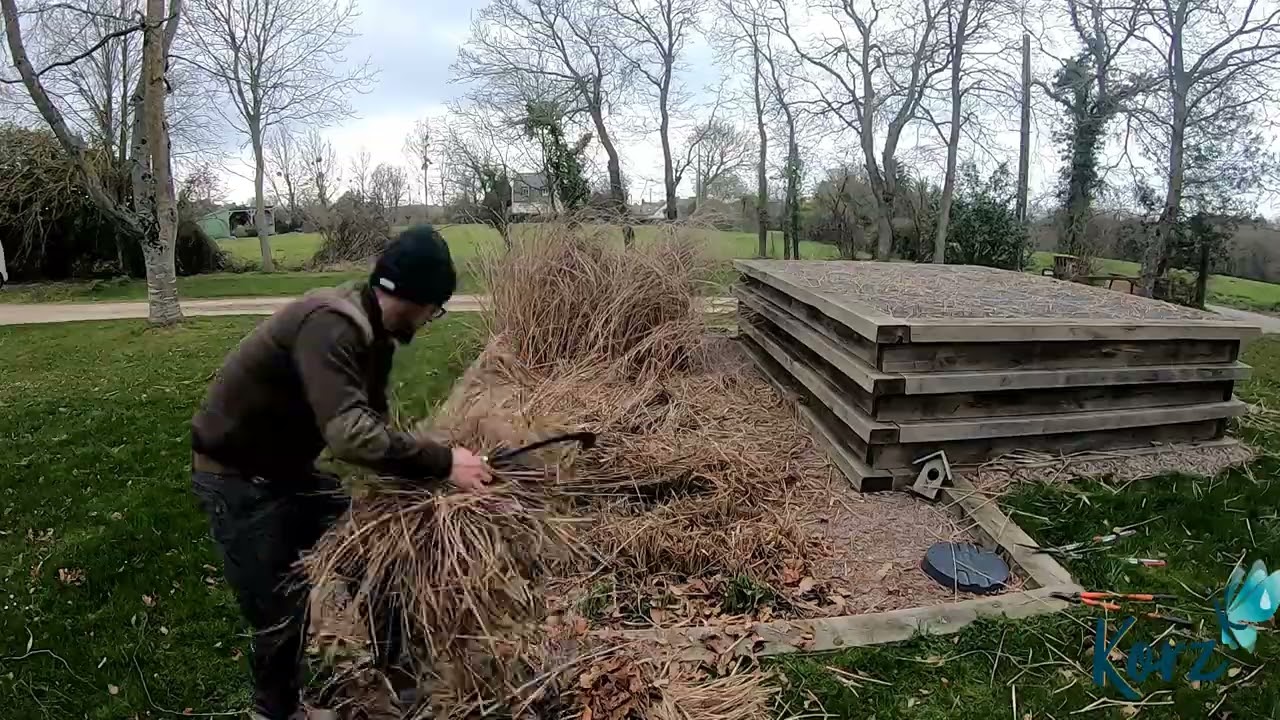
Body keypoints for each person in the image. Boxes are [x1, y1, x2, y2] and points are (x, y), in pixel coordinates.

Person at [190, 225, 490, 720]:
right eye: (434, 308)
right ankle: (277, 712)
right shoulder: (332, 325)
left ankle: (409, 685)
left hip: (285, 471)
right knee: (280, 611)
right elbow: (350, 435)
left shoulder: (373, 335)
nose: (432, 320)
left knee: (377, 554)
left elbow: (372, 424)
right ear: (413, 297)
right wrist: (442, 462)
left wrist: (417, 479)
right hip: (237, 479)